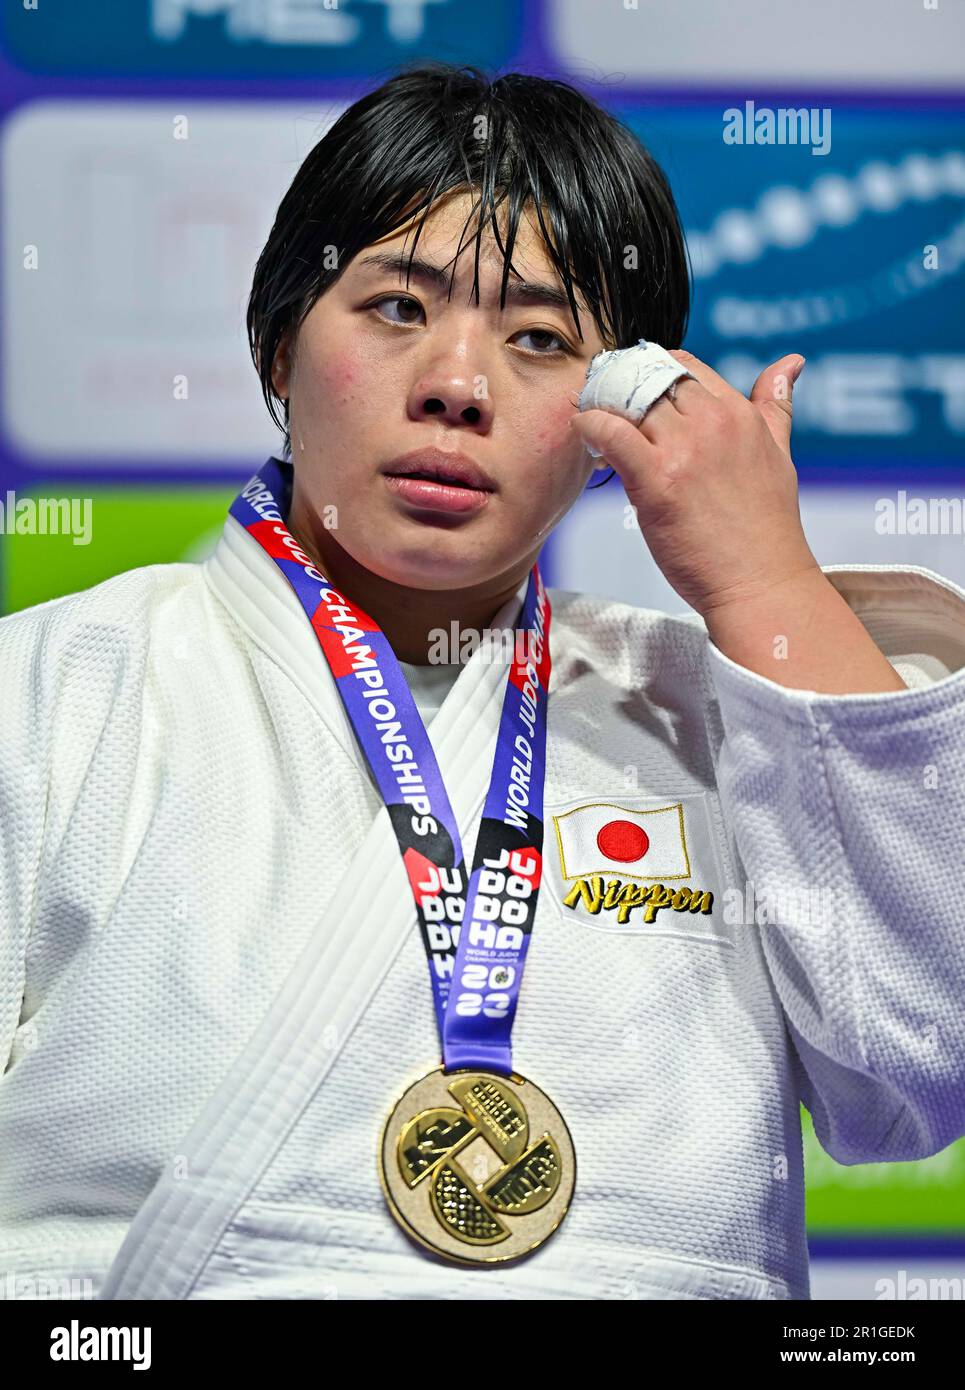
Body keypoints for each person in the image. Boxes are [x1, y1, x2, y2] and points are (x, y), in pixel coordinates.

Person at [1, 61, 963, 1303]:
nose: (458, 384)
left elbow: (912, 1070)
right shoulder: (56, 681)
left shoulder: (713, 710)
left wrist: (768, 589)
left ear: (620, 414)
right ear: (277, 344)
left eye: (542, 339)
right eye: (397, 308)